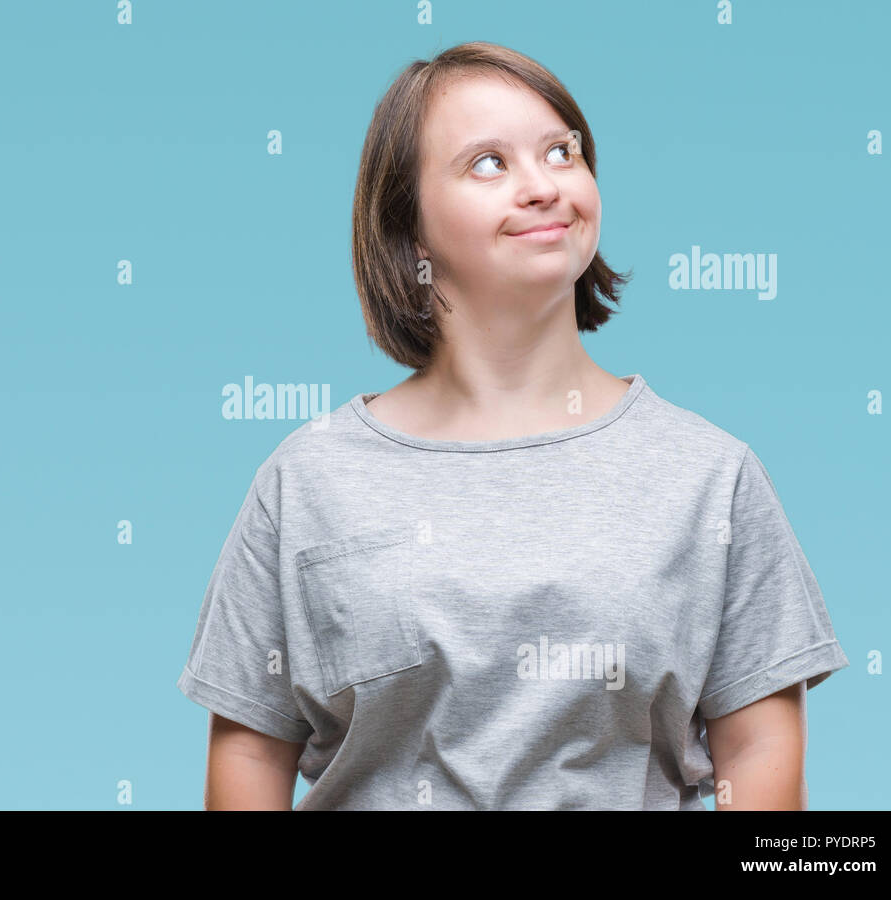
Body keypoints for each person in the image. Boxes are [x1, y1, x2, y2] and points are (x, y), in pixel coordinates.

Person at [176, 41, 849, 810]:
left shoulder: (712, 476)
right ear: (410, 230)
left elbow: (760, 755)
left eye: (563, 152)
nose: (543, 186)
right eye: (488, 163)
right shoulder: (305, 480)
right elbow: (250, 762)